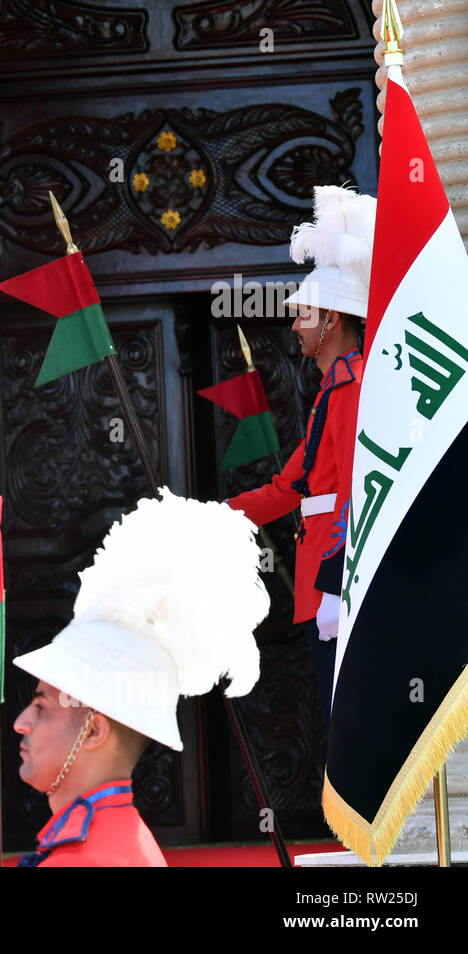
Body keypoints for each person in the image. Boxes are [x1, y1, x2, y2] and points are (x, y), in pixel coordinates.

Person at [11, 491, 269, 866]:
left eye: (41, 707)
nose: (21, 723)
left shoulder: (83, 859)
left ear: (94, 731)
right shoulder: (119, 841)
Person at [225, 185, 374, 734]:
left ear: (331, 319)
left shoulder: (352, 387)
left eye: (303, 315)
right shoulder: (333, 387)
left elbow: (361, 488)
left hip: (337, 583)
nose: (293, 325)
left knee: (352, 734)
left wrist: (338, 581)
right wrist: (216, 517)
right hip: (324, 586)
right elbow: (290, 487)